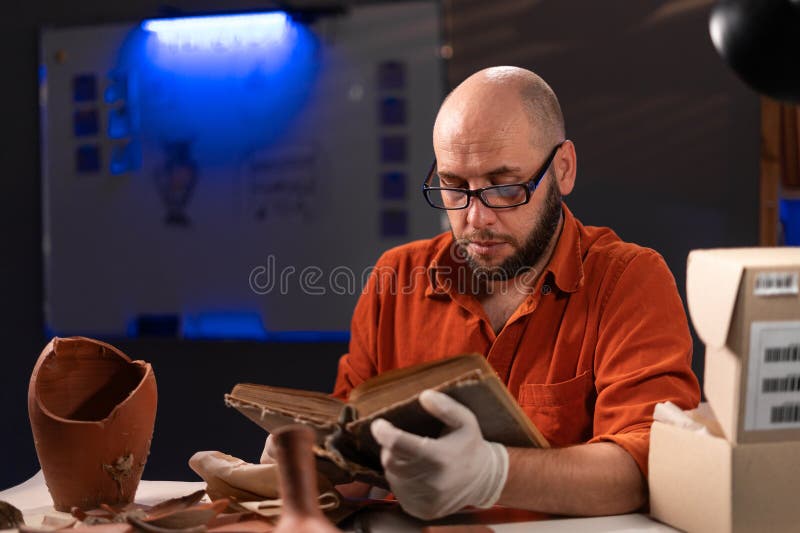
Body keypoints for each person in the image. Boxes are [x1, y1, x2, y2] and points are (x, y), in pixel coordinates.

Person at [269, 66, 701, 519]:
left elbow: (646, 468)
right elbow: (354, 456)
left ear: (563, 169)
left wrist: (493, 473)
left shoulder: (627, 279)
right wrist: (305, 469)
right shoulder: (395, 277)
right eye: (455, 186)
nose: (476, 218)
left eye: (504, 186)